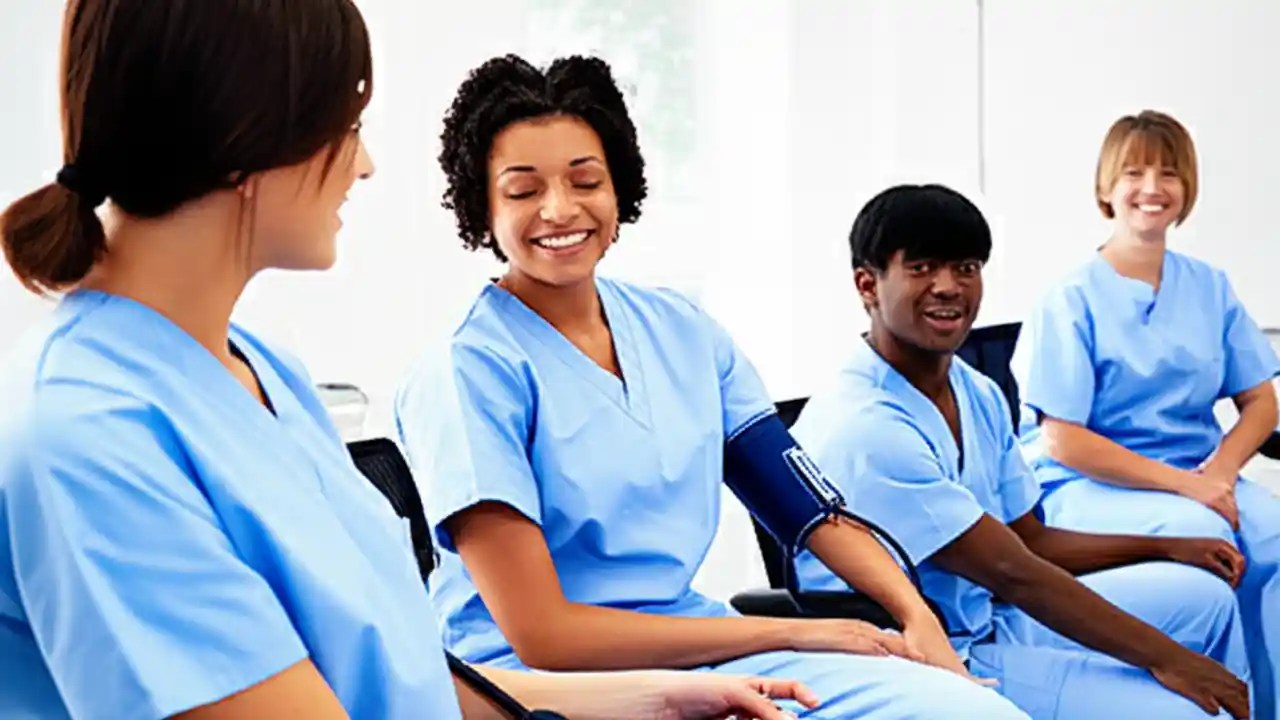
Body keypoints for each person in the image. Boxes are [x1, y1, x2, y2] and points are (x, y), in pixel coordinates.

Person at [0, 3, 821, 719]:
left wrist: (657, 699)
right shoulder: (91, 437)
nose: (363, 165)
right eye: (349, 127)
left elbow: (399, 679)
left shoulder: (258, 368)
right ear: (246, 135)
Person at [394, 53, 1029, 720]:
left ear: (619, 188)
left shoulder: (682, 332)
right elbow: (544, 635)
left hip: (696, 644)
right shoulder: (468, 371)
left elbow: (804, 508)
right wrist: (795, 633)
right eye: (523, 191)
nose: (559, 209)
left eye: (586, 181)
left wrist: (913, 615)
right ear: (482, 206)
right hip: (541, 688)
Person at [789, 184, 1252, 720]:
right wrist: (1172, 661)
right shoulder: (866, 424)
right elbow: (1013, 570)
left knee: (1207, 600)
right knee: (1189, 711)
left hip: (990, 615)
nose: (948, 286)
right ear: (867, 285)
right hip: (929, 657)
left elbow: (1030, 541)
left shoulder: (974, 390)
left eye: (966, 267)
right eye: (921, 268)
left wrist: (1166, 548)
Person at [1012, 109, 1280, 720]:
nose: (1152, 188)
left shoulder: (1209, 287)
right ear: (1106, 187)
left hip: (1200, 474)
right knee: (1213, 542)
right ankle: (1217, 704)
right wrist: (1190, 488)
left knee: (1274, 540)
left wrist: (1219, 472)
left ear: (1188, 187)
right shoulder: (1070, 298)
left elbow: (1261, 401)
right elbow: (1064, 440)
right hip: (1089, 483)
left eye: (1169, 173)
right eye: (1134, 173)